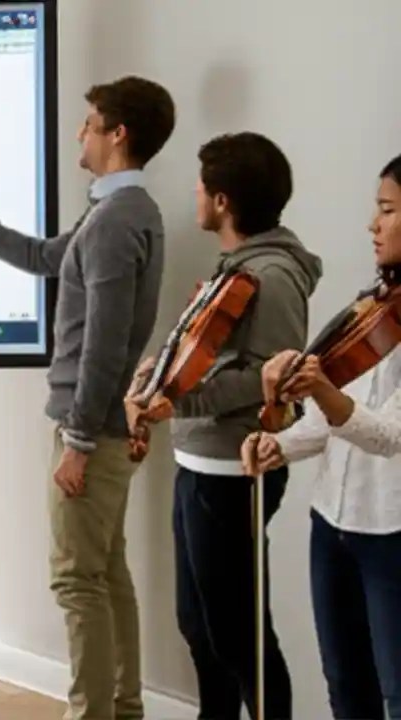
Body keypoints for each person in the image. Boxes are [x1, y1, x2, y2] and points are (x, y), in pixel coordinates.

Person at [0, 75, 175, 719]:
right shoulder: (116, 213)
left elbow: (106, 344)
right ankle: (122, 708)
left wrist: (79, 441)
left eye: (90, 122)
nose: (80, 133)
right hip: (99, 425)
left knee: (77, 580)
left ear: (118, 134)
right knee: (106, 572)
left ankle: (93, 713)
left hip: (90, 428)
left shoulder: (118, 220)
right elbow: (42, 257)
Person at [127, 132, 321, 720]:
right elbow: (199, 348)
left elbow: (273, 374)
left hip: (233, 472)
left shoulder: (274, 275)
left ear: (224, 202)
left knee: (241, 634)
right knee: (198, 623)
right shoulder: (233, 267)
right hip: (198, 465)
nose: (195, 190)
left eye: (203, 184)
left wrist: (176, 402)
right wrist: (154, 372)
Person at [243, 152, 401, 720]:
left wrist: (322, 388)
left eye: (386, 210)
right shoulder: (376, 303)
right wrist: (279, 444)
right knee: (344, 684)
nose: (372, 225)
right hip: (330, 525)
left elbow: (388, 435)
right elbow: (327, 422)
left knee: (398, 692)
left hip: (391, 533)